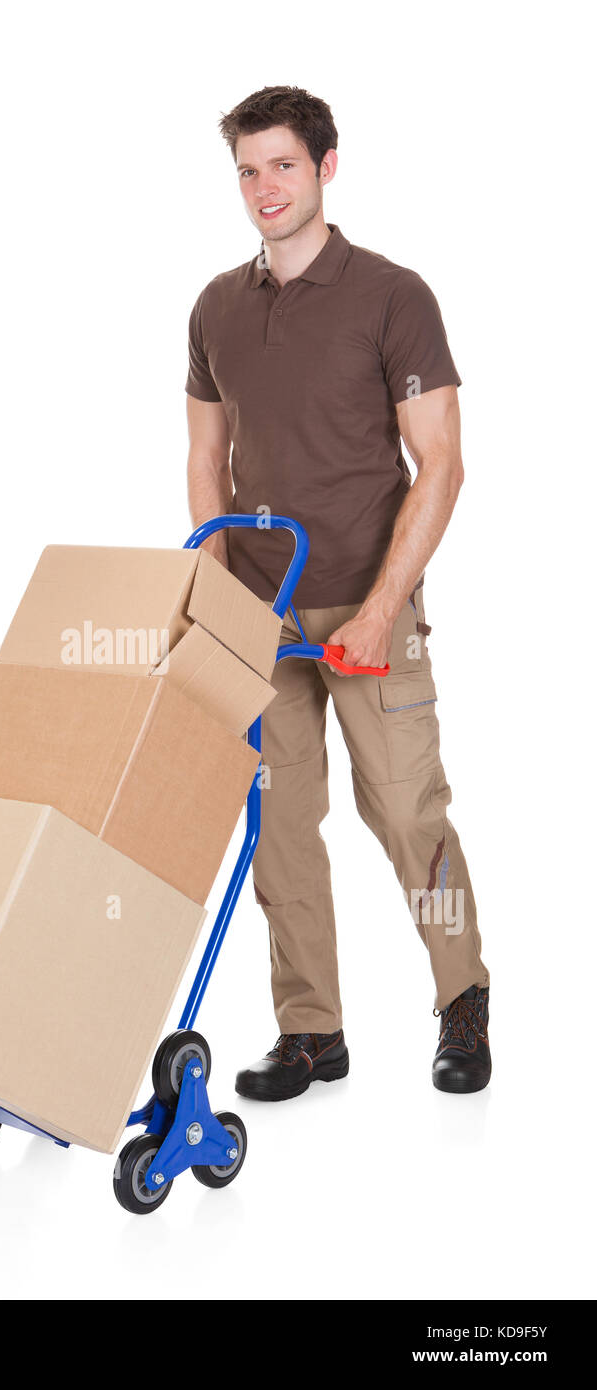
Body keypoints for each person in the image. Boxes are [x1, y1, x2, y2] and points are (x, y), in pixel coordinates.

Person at [185, 85, 490, 1097]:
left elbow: (440, 463)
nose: (264, 187)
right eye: (247, 169)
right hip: (263, 614)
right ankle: (311, 1028)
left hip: (370, 598)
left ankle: (461, 1001)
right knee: (276, 820)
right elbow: (204, 456)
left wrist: (377, 607)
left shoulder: (393, 296)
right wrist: (221, 598)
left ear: (325, 166)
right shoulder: (217, 307)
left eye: (283, 165)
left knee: (409, 817)